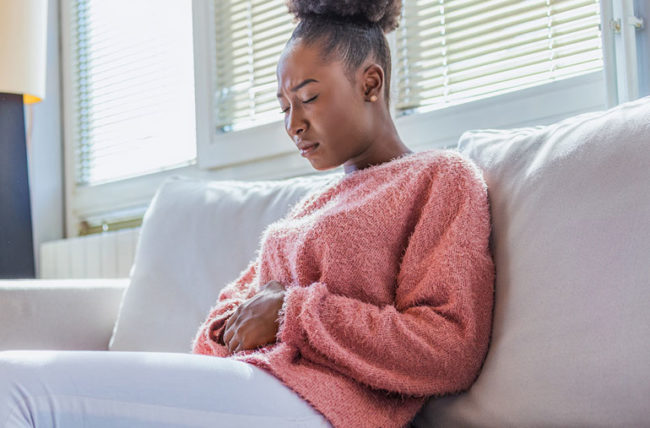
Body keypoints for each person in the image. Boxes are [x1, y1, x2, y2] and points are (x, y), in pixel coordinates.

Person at [0, 1, 495, 427]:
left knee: (13, 385)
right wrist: (247, 321)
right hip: (254, 384)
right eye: (284, 106)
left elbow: (449, 348)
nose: (293, 124)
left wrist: (288, 312)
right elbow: (224, 319)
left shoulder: (440, 178)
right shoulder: (312, 207)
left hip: (323, 406)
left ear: (370, 83)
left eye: (308, 98)